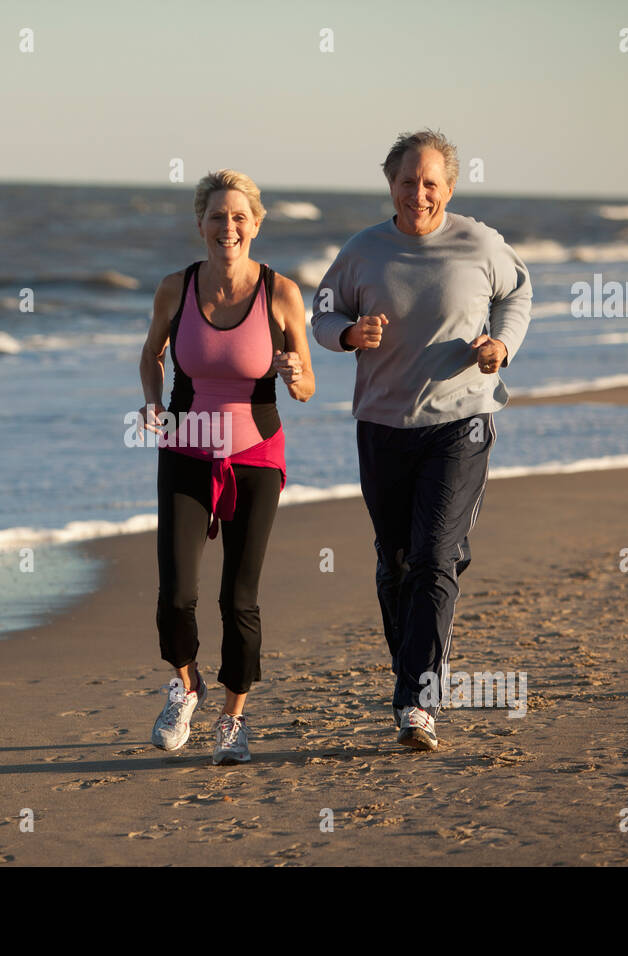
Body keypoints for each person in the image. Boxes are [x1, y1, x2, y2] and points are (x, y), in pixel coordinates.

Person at [310, 130, 532, 751]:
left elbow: (517, 293)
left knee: (434, 557)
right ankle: (417, 671)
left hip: (460, 422)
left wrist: (503, 345)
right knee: (398, 561)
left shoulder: (481, 243)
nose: (419, 193)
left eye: (431, 182)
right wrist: (350, 334)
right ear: (391, 185)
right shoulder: (362, 251)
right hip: (382, 426)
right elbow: (320, 314)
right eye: (408, 181)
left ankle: (415, 703)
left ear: (450, 188)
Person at [137, 169, 314, 764]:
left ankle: (234, 719)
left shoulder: (282, 292)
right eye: (217, 216)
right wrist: (152, 402)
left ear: (256, 225)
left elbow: (308, 383)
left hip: (256, 455)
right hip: (186, 446)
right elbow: (151, 355)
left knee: (238, 596)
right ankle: (187, 687)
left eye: (240, 217)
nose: (228, 227)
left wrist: (296, 376)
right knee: (175, 593)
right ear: (200, 224)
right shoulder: (174, 288)